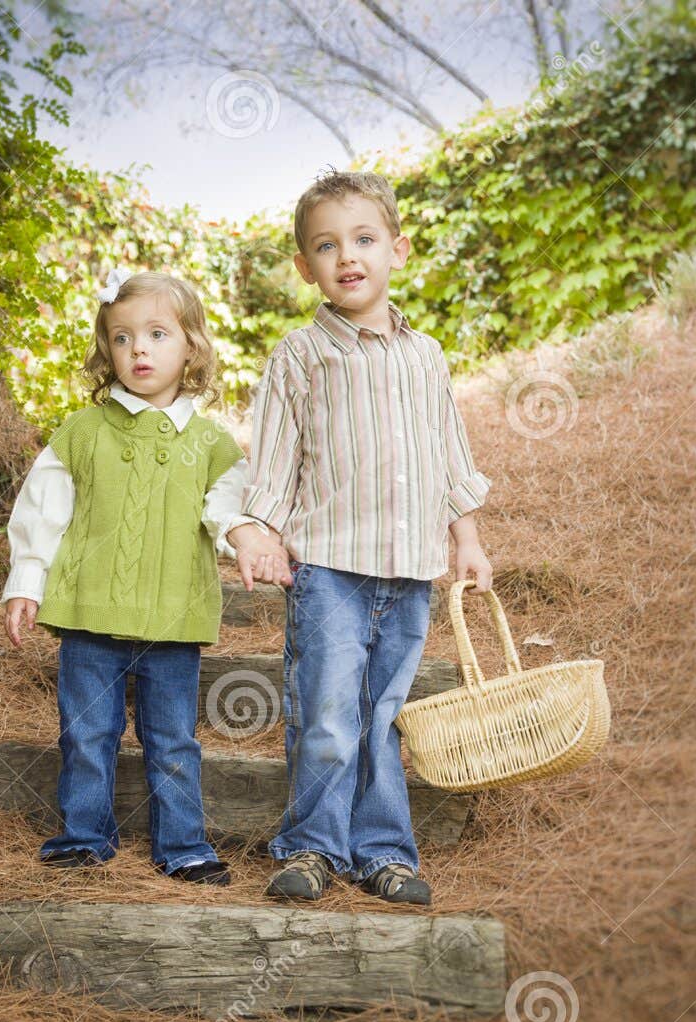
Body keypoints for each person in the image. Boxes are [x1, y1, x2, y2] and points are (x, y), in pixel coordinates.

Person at [228, 171, 493, 906]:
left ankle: (382, 850)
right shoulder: (300, 357)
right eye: (327, 245)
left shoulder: (427, 355)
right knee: (328, 713)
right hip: (332, 570)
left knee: (383, 714)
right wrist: (263, 532)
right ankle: (313, 845)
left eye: (364, 239)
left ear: (397, 249)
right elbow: (277, 463)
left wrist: (465, 537)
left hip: (408, 570)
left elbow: (449, 455)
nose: (348, 256)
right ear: (305, 265)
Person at [1, 269, 288, 881]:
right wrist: (27, 580)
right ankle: (83, 833)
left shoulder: (212, 444)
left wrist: (245, 535)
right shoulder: (82, 431)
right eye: (123, 336)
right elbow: (41, 510)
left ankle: (183, 844)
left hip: (172, 616)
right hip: (88, 614)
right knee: (85, 732)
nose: (139, 350)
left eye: (158, 334)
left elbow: (227, 506)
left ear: (191, 347)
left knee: (173, 740)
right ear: (107, 348)